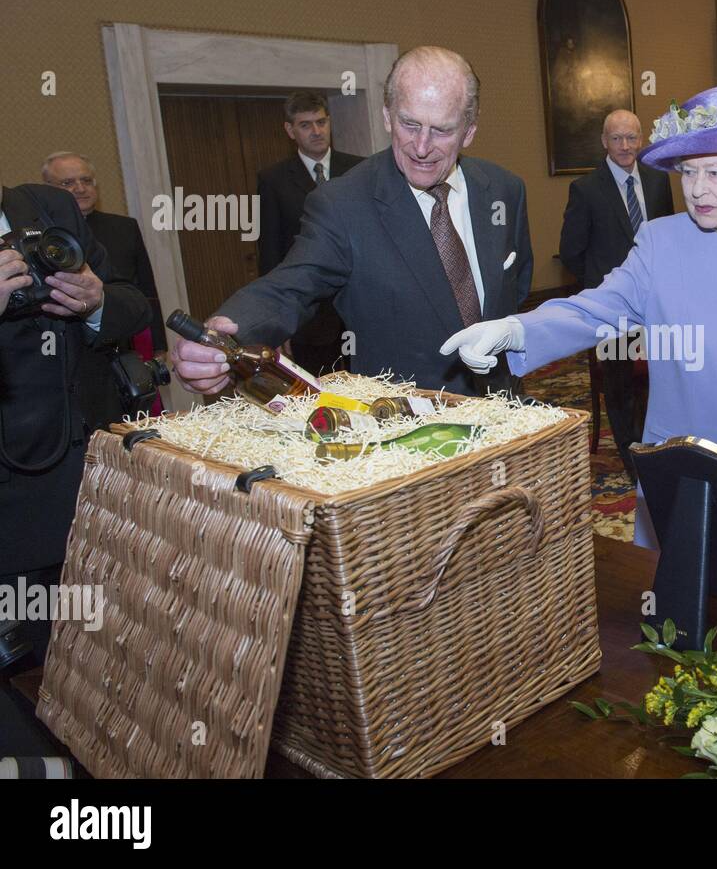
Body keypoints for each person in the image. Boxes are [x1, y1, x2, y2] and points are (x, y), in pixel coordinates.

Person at [441, 85, 717, 594]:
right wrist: (514, 329)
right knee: (683, 619)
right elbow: (596, 308)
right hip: (685, 472)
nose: (696, 188)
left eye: (713, 172)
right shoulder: (661, 242)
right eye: (688, 172)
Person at [171, 46, 533, 398]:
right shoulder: (343, 204)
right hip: (405, 425)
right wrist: (225, 331)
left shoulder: (503, 190)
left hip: (504, 406)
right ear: (388, 116)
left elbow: (515, 292)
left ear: (469, 130)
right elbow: (290, 286)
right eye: (409, 124)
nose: (421, 147)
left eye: (441, 130)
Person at [1, 176, 149, 665]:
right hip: (14, 511)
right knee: (38, 673)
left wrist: (97, 301)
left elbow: (132, 303)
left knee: (126, 649)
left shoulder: (47, 207)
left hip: (96, 477)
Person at [559, 109, 675, 481]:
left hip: (658, 305)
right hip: (613, 308)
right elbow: (572, 251)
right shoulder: (586, 189)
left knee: (661, 376)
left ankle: (660, 444)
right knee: (621, 384)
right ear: (604, 142)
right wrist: (603, 289)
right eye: (617, 138)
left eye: (632, 138)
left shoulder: (658, 182)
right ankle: (633, 456)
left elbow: (669, 239)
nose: (625, 146)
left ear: (641, 140)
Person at [42, 151, 166, 428]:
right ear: (47, 190)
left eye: (86, 180)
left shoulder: (123, 226)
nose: (80, 188)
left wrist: (159, 346)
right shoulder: (43, 238)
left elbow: (145, 288)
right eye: (68, 183)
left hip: (127, 341)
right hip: (72, 354)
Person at [256, 91, 365, 376]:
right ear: (290, 130)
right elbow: (271, 254)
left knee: (374, 386)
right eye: (306, 125)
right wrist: (277, 322)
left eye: (321, 122)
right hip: (310, 314)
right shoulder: (273, 180)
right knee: (317, 394)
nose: (316, 131)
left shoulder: (359, 169)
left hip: (362, 306)